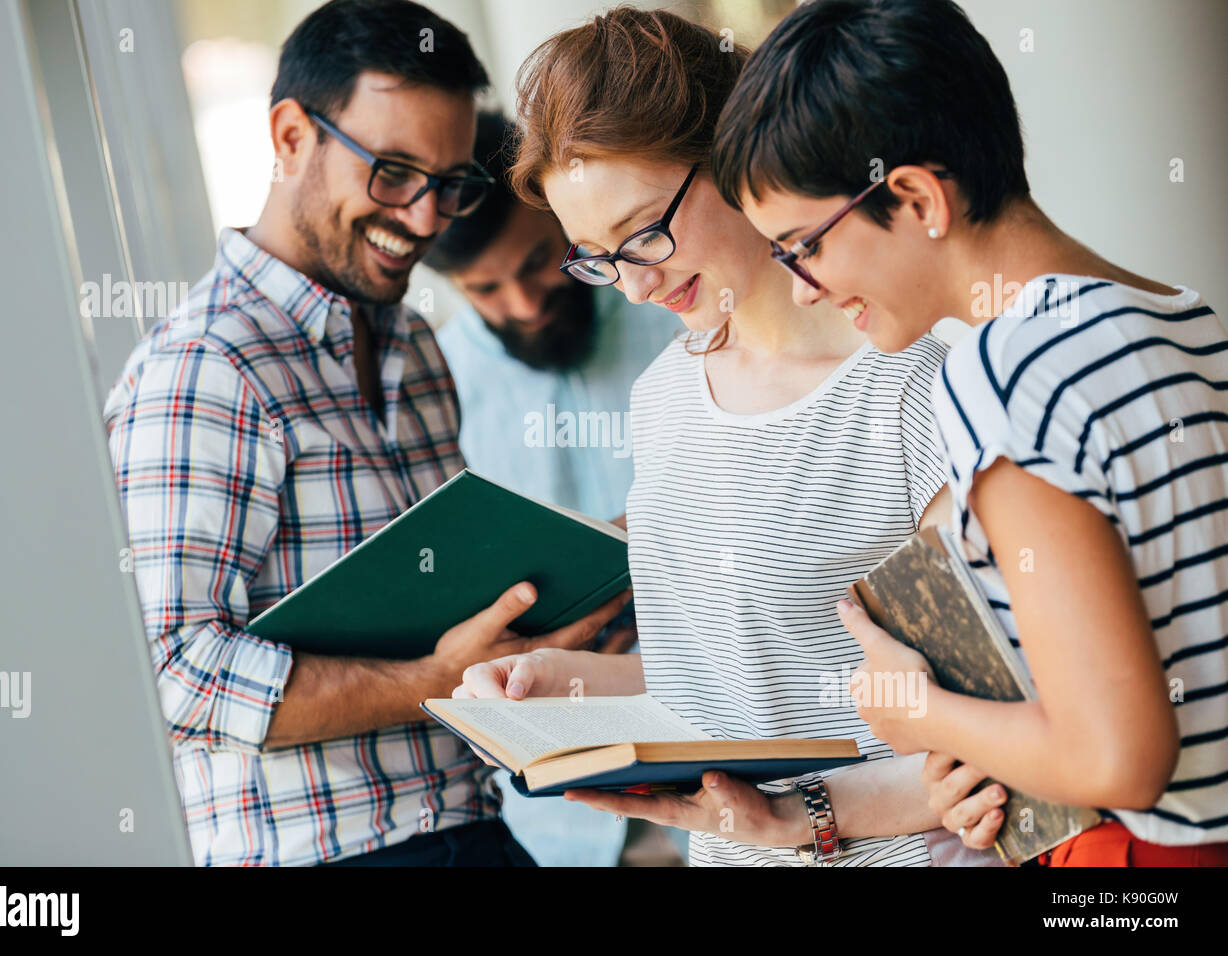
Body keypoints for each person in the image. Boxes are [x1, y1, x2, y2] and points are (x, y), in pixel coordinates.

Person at [457, 7, 987, 867]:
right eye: (596, 256)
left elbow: (989, 741)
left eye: (643, 233)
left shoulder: (914, 394)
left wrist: (797, 820)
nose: (631, 285)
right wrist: (558, 687)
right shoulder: (664, 398)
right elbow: (719, 686)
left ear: (734, 159)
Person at [102, 0, 626, 867]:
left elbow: (448, 602)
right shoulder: (205, 368)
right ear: (290, 137)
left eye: (449, 184)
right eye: (391, 171)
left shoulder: (415, 343)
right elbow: (171, 678)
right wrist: (432, 684)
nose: (423, 219)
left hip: (474, 830)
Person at [712, 0, 1228, 866]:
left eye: (802, 246)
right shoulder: (1182, 316)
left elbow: (1119, 757)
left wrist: (912, 712)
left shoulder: (1009, 367)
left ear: (914, 196)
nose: (802, 287)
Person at [424, 112, 684, 866]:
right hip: (559, 815)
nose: (524, 303)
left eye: (539, 261)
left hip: (722, 752)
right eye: (485, 289)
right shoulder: (435, 385)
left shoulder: (671, 307)